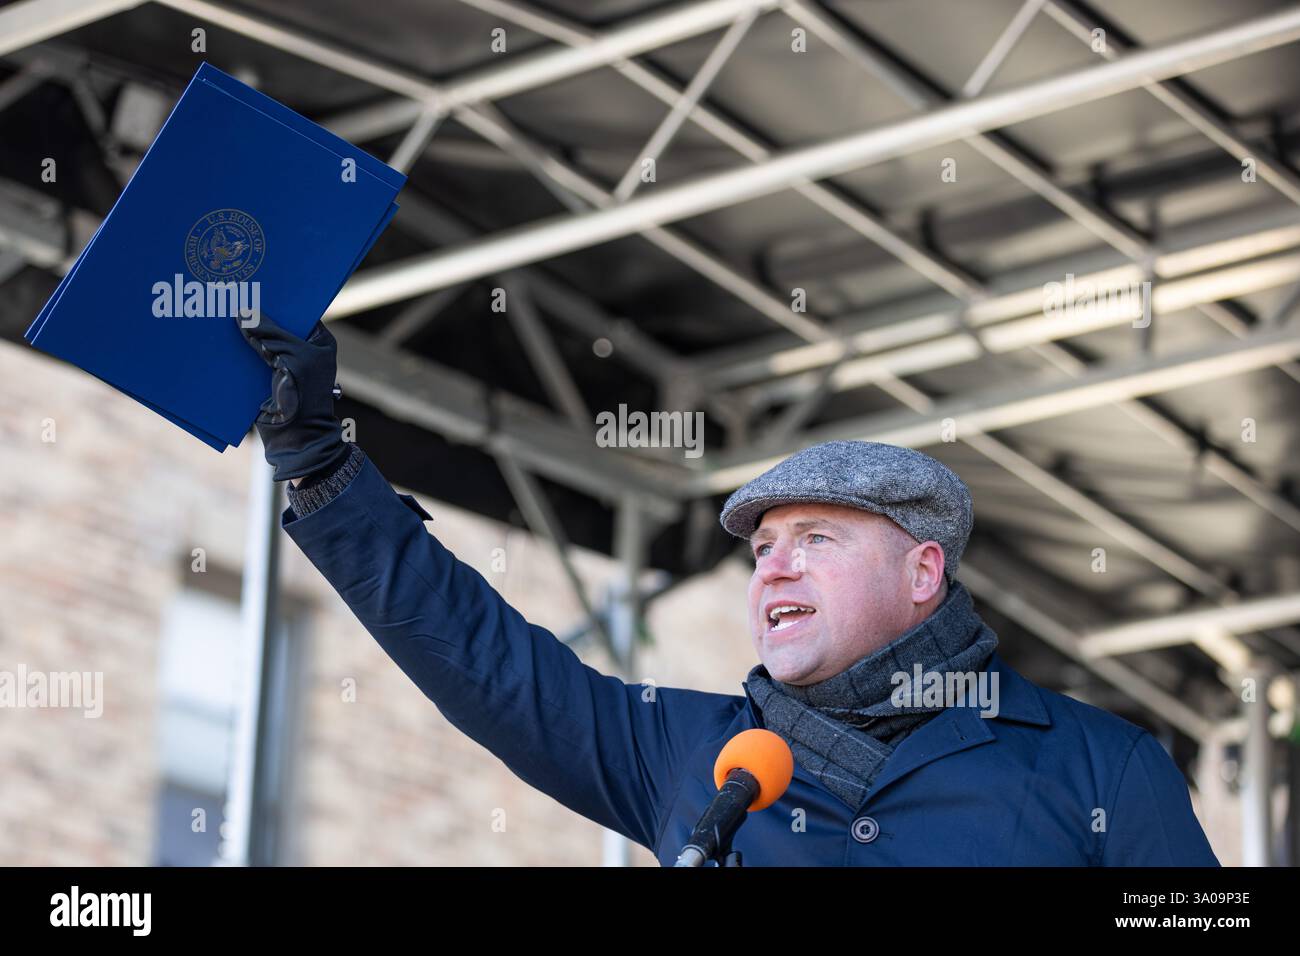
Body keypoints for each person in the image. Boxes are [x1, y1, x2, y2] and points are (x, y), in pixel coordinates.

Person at [235, 313, 1221, 866]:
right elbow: (485, 660)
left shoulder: (1101, 768)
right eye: (760, 550)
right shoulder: (692, 755)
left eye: (815, 538)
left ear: (924, 572)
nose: (775, 566)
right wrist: (321, 467)